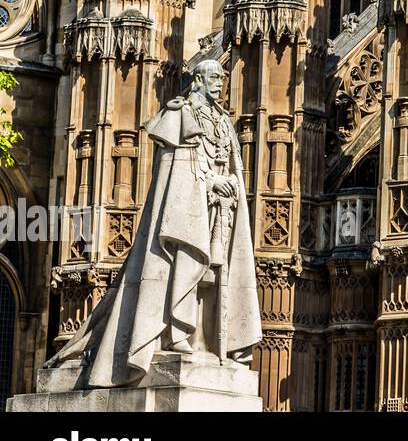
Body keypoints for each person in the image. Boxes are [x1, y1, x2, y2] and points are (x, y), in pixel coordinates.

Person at [49, 60, 262, 387]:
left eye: (223, 77)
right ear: (198, 80)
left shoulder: (222, 121)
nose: (221, 83)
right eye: (214, 77)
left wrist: (230, 182)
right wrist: (209, 183)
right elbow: (179, 170)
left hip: (219, 212)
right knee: (185, 267)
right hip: (188, 212)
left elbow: (229, 162)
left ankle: (202, 340)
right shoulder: (180, 115)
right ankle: (176, 333)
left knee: (211, 277)